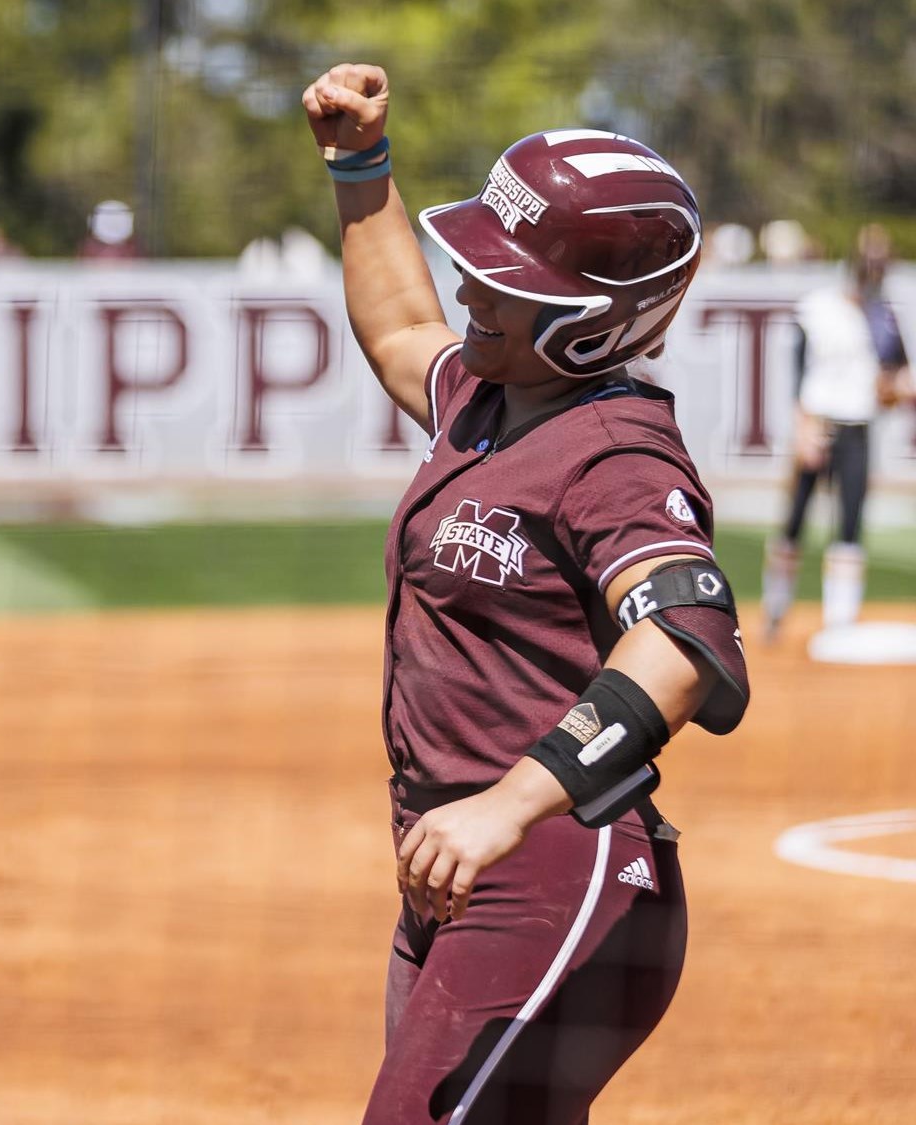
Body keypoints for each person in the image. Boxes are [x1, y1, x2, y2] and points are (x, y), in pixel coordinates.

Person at [302, 64, 751, 1124]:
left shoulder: (616, 456)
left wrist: (506, 805)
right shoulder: (487, 398)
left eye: (507, 281)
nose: (470, 291)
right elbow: (397, 328)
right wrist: (359, 167)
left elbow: (681, 640)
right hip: (457, 874)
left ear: (592, 318)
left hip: (557, 872)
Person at [762, 224, 909, 638]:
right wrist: (803, 427)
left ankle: (840, 619)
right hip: (818, 421)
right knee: (795, 519)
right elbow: (799, 371)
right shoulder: (819, 308)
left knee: (850, 520)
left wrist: (897, 389)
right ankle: (776, 606)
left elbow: (892, 380)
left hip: (857, 425)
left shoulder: (884, 318)